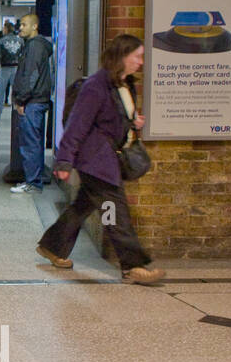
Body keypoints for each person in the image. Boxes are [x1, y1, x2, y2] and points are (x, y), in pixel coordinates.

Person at [37, 34, 165, 285]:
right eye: (137, 56)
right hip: (96, 162)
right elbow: (77, 125)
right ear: (122, 56)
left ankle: (52, 245)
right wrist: (64, 162)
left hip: (108, 160)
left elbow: (113, 118)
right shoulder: (96, 86)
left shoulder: (125, 84)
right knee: (116, 213)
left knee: (84, 205)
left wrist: (132, 122)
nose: (141, 62)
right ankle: (132, 267)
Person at [10, 13, 55, 195]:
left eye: (24, 24)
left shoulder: (35, 46)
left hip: (32, 102)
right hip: (36, 101)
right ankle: (33, 180)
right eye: (20, 24)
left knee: (30, 144)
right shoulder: (38, 45)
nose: (20, 28)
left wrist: (21, 99)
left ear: (34, 27)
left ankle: (33, 183)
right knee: (34, 143)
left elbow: (31, 75)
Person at [0, 21, 24, 106]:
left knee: (1, 92)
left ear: (6, 29)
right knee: (15, 91)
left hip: (5, 68)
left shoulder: (2, 41)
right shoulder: (20, 40)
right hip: (16, 68)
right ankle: (16, 111)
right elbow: (23, 56)